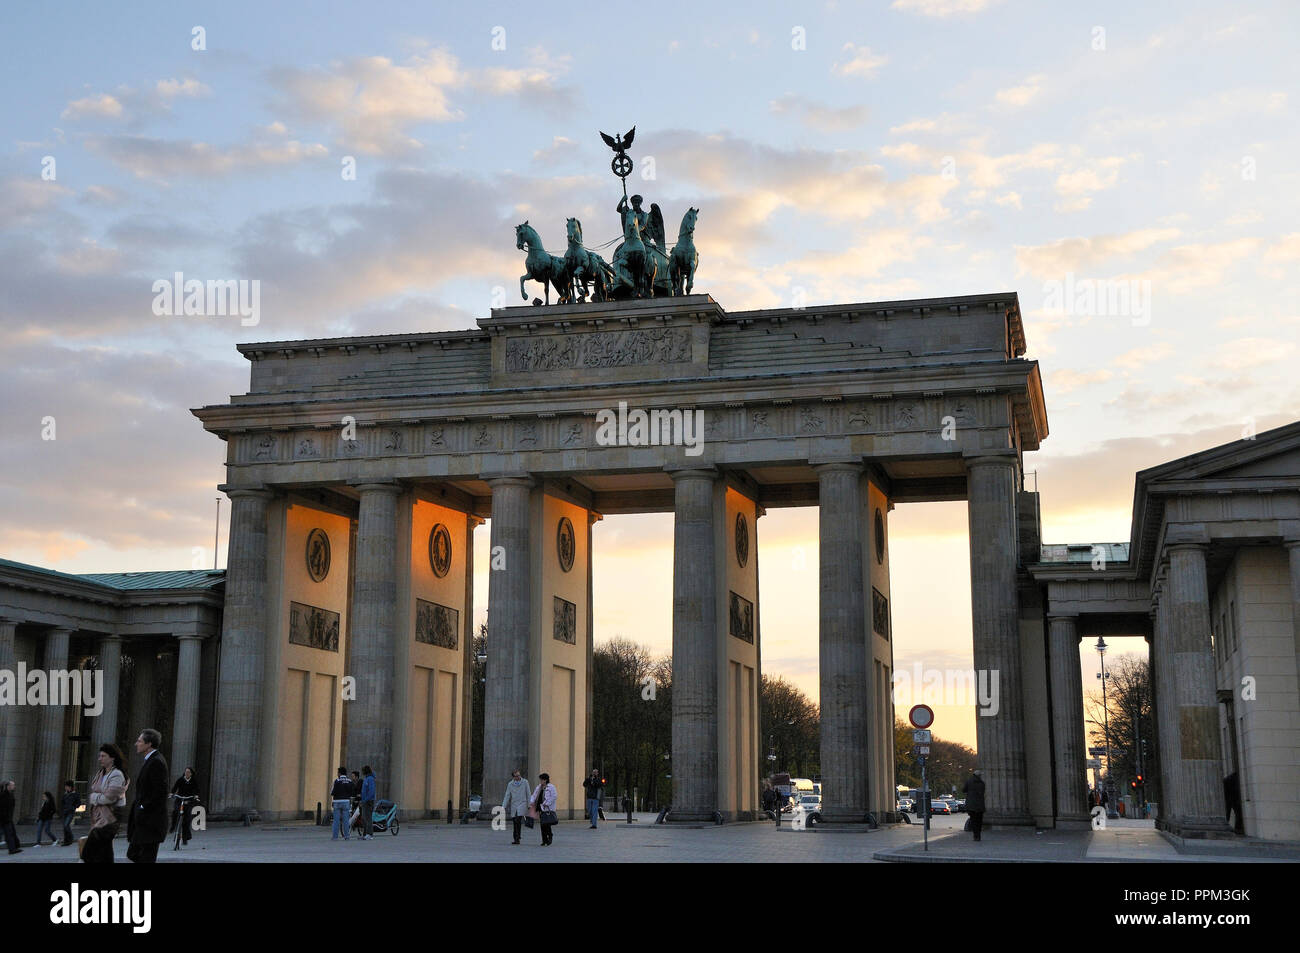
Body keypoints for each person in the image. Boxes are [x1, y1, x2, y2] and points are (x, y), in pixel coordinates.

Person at [126, 728, 169, 863]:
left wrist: (143, 807)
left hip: (150, 822)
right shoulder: (151, 760)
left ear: (149, 744)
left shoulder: (156, 762)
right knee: (134, 854)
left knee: (143, 856)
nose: (136, 744)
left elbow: (160, 792)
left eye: (139, 741)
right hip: (146, 821)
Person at [83, 744, 128, 863]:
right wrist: (99, 796)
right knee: (105, 852)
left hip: (110, 818)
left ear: (112, 758)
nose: (100, 759)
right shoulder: (100, 774)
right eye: (99, 756)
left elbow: (109, 798)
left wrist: (94, 797)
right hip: (99, 817)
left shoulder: (117, 774)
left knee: (87, 853)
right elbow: (99, 794)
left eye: (103, 756)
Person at [170, 767, 199, 846]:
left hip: (188, 800)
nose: (187, 773)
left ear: (191, 774)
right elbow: (175, 787)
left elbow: (196, 790)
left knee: (187, 819)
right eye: (186, 772)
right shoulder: (180, 780)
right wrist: (172, 793)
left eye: (188, 772)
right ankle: (173, 826)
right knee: (175, 811)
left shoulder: (193, 781)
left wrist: (195, 796)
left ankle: (185, 838)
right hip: (180, 799)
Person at [502, 769, 530, 845]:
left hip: (522, 803)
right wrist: (503, 806)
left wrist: (529, 804)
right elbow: (507, 795)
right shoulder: (510, 784)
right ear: (513, 777)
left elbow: (528, 793)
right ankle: (516, 837)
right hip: (514, 804)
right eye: (516, 776)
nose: (518, 777)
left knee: (518, 820)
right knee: (515, 822)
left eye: (519, 775)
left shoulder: (525, 782)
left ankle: (517, 838)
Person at [531, 772, 558, 847]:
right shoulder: (539, 787)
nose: (541, 781)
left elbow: (554, 796)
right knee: (542, 824)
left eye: (542, 780)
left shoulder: (551, 787)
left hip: (547, 808)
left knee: (547, 824)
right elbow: (534, 795)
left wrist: (547, 803)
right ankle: (544, 840)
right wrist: (531, 802)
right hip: (540, 807)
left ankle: (550, 836)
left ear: (545, 780)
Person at [330, 767, 354, 841]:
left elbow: (332, 792)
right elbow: (352, 792)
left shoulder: (337, 781)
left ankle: (335, 837)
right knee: (346, 820)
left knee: (336, 820)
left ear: (339, 773)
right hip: (346, 802)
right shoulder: (349, 781)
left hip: (337, 802)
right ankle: (347, 836)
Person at [962, 769, 986, 842]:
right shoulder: (982, 783)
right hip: (980, 805)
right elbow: (983, 792)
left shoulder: (969, 781)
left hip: (971, 805)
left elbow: (963, 790)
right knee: (979, 821)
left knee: (973, 820)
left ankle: (975, 836)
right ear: (979, 776)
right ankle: (978, 836)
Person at [0, 780, 21, 855]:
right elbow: (3, 808)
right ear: (8, 786)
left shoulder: (10, 794)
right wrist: (6, 818)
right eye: (12, 785)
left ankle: (13, 848)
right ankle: (12, 849)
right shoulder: (4, 795)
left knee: (10, 833)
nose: (14, 787)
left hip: (7, 818)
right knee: (9, 834)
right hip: (4, 818)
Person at [60, 781, 80, 846]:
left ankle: (70, 838)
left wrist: (74, 807)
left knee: (66, 825)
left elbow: (78, 803)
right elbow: (62, 802)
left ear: (70, 787)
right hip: (65, 812)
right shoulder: (65, 794)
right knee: (65, 827)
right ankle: (66, 841)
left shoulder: (75, 794)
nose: (65, 788)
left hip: (70, 812)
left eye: (67, 786)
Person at [360, 766, 377, 840]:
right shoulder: (366, 778)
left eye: (363, 771)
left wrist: (366, 799)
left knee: (368, 818)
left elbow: (371, 791)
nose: (362, 772)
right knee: (364, 818)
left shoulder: (370, 779)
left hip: (368, 801)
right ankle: (365, 834)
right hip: (364, 801)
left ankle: (370, 834)